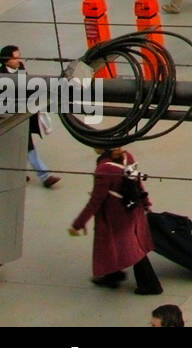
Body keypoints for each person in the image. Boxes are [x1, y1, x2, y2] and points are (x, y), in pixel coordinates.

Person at [69, 146, 163, 296]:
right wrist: (146, 202)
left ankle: (150, 284)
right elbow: (138, 182)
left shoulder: (103, 170)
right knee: (122, 244)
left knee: (129, 248)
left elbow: (96, 200)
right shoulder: (127, 156)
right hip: (133, 207)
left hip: (115, 214)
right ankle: (111, 274)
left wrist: (78, 223)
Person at [0, 45, 60, 187]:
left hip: (21, 114)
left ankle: (23, 173)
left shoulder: (21, 69)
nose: (18, 59)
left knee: (24, 144)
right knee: (23, 146)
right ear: (6, 60)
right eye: (15, 57)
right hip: (6, 116)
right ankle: (44, 176)